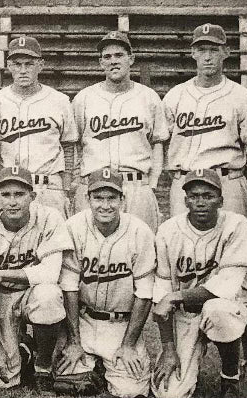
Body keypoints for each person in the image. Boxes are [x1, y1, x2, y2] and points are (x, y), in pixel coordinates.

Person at [162, 23, 247, 380]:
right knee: (181, 264)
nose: (207, 55)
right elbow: (165, 145)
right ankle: (179, 349)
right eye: (201, 48)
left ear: (225, 53)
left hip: (228, 180)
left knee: (241, 272)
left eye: (214, 49)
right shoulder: (175, 96)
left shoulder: (242, 97)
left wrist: (233, 187)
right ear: (192, 53)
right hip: (184, 182)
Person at [151, 168, 247, 398]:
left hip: (222, 307)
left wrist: (176, 297)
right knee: (169, 394)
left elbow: (227, 286)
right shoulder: (168, 231)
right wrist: (168, 348)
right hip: (182, 316)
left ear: (221, 200)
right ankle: (183, 360)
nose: (200, 202)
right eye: (194, 196)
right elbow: (161, 294)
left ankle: (230, 378)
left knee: (219, 310)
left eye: (208, 196)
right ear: (185, 200)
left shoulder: (237, 225)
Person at [0, 166, 72, 389]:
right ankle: (22, 350)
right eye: (6, 195)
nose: (12, 202)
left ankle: (42, 367)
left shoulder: (50, 218)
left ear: (32, 196)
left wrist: (1, 273)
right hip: (0, 298)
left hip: (32, 293)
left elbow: (50, 274)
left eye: (19, 194)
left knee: (48, 296)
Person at [54, 168, 155, 397]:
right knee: (67, 386)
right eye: (98, 198)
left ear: (122, 199)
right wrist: (73, 341)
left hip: (121, 324)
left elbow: (145, 293)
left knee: (130, 392)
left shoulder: (140, 232)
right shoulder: (74, 227)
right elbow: (69, 287)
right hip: (84, 319)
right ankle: (95, 367)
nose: (105, 205)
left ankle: (101, 367)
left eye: (111, 198)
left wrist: (128, 345)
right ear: (87, 198)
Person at [72, 31, 169, 231]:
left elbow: (157, 142)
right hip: (95, 187)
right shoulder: (84, 98)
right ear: (101, 63)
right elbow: (75, 144)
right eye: (107, 57)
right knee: (89, 250)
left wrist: (152, 184)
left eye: (119, 55)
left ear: (131, 59)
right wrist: (77, 181)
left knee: (142, 249)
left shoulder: (148, 97)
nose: (113, 61)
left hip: (135, 185)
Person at [0, 36, 78, 217]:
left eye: (29, 64)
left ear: (41, 65)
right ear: (8, 66)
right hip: (11, 189)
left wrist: (67, 186)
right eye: (17, 64)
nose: (23, 70)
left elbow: (69, 146)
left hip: (48, 187)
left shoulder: (59, 100)